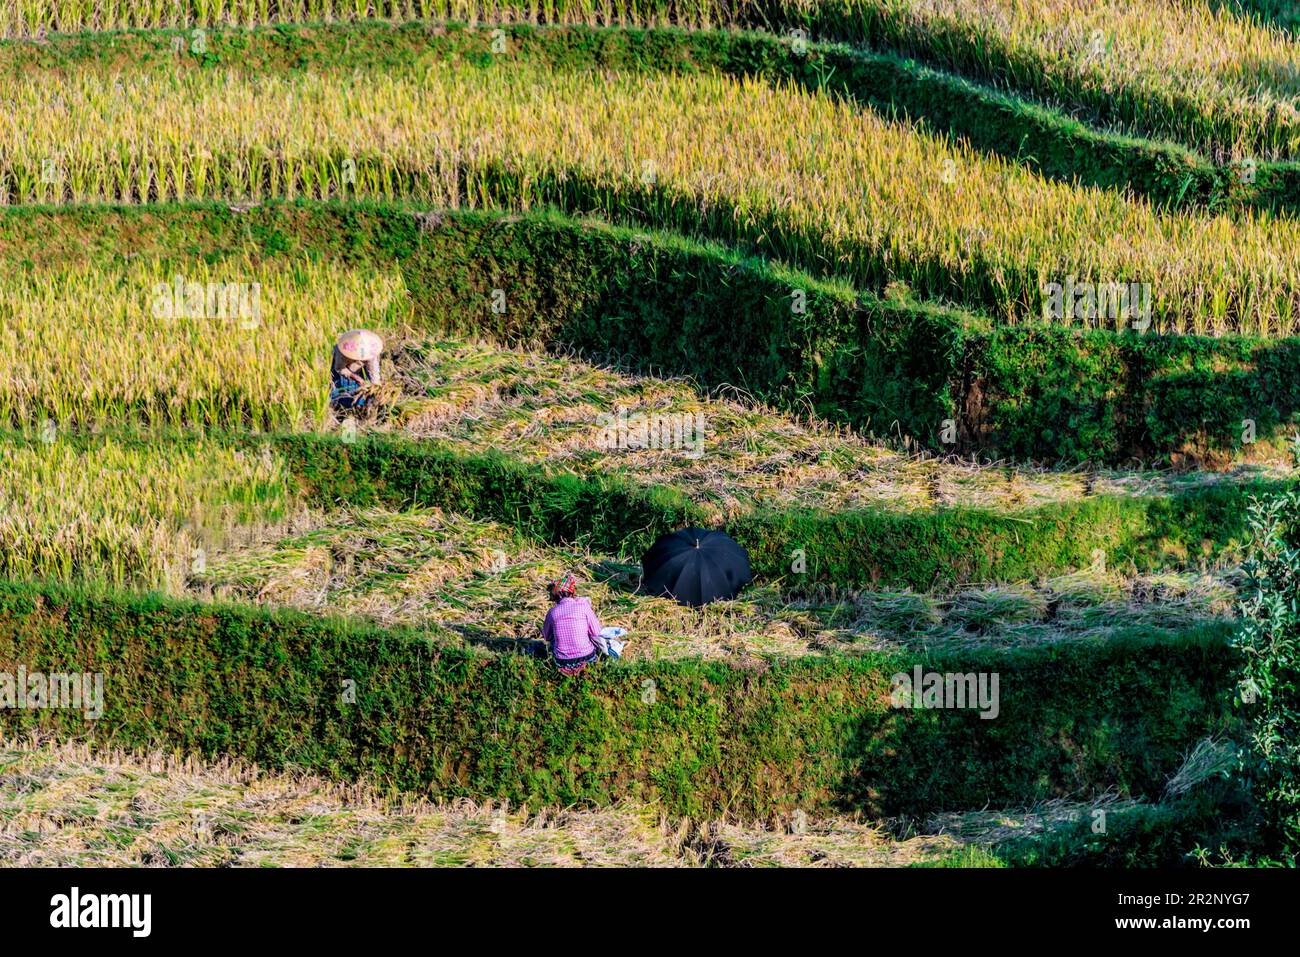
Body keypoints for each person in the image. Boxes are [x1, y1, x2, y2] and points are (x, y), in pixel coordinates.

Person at [541, 574, 604, 675]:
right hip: (586, 656)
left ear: (558, 594)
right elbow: (596, 632)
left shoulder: (552, 612)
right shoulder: (583, 607)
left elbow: (547, 637)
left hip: (562, 661)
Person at [329, 329, 384, 414]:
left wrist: (375, 387)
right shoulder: (342, 352)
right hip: (342, 368)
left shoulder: (370, 352)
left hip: (360, 368)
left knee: (362, 390)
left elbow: (374, 372)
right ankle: (339, 408)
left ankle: (361, 407)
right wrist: (355, 377)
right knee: (340, 389)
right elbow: (340, 368)